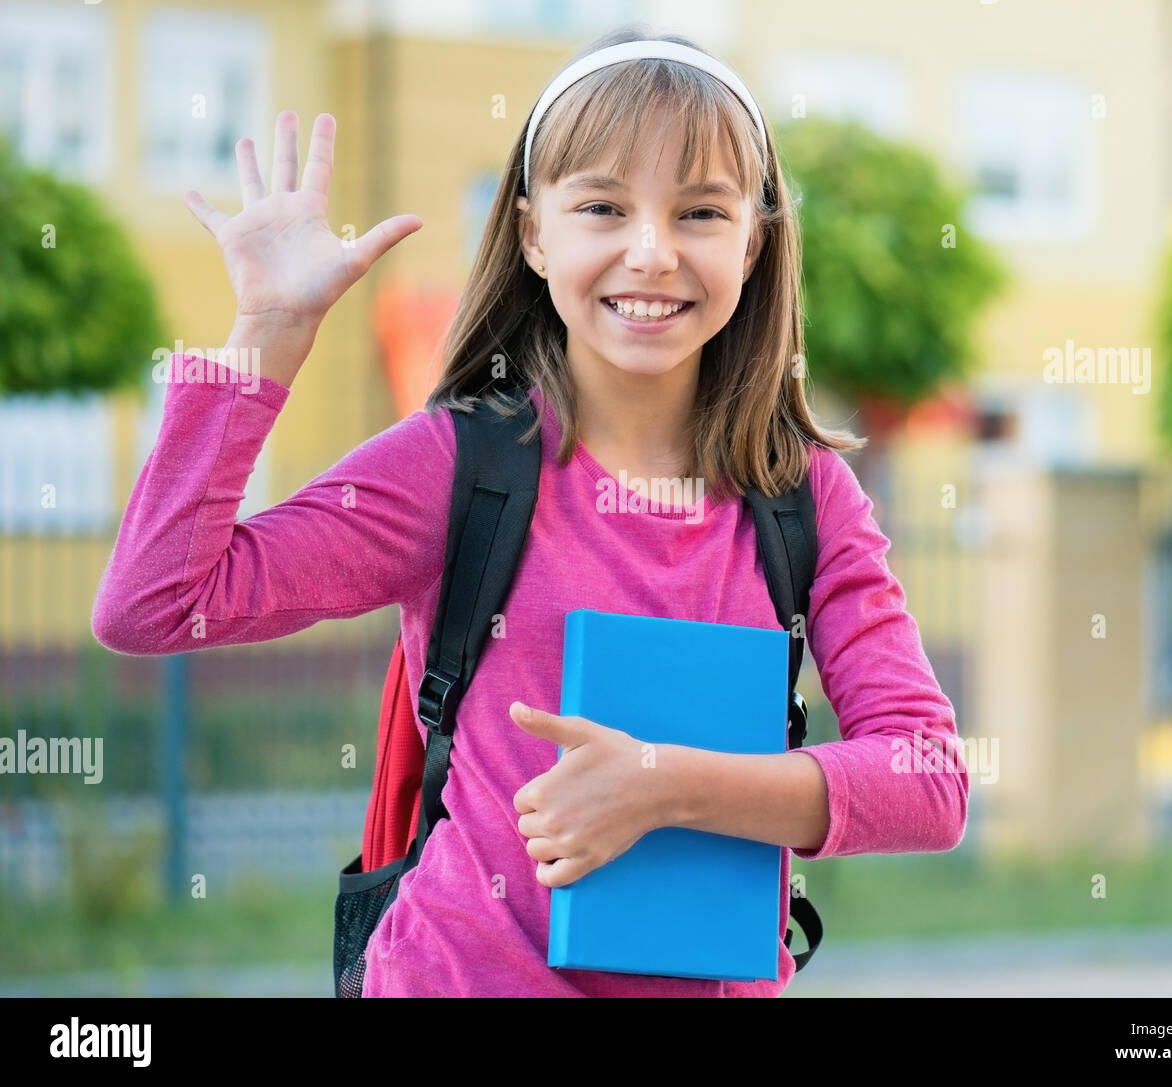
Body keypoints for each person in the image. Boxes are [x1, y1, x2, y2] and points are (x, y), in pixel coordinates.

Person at [91, 25, 968, 997]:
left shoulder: (802, 495)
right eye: (601, 205)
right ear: (532, 233)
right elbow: (156, 602)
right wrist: (267, 333)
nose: (651, 252)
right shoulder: (460, 465)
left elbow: (928, 780)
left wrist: (668, 784)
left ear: (755, 240)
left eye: (701, 212)